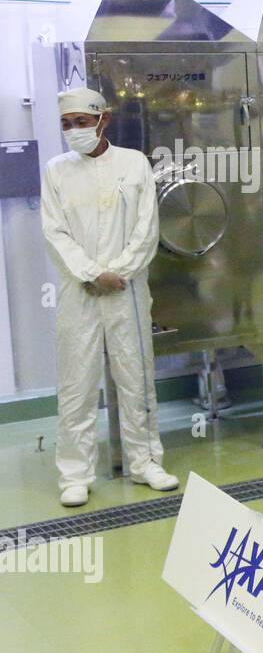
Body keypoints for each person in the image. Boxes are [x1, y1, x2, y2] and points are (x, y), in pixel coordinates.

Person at [40, 87, 179, 507]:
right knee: (77, 384)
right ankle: (75, 474)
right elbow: (54, 230)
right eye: (67, 124)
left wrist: (118, 272)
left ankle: (145, 462)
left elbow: (146, 229)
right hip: (78, 290)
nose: (74, 131)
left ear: (104, 120)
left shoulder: (133, 164)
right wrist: (90, 273)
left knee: (135, 379)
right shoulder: (56, 170)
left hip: (127, 290)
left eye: (81, 122)